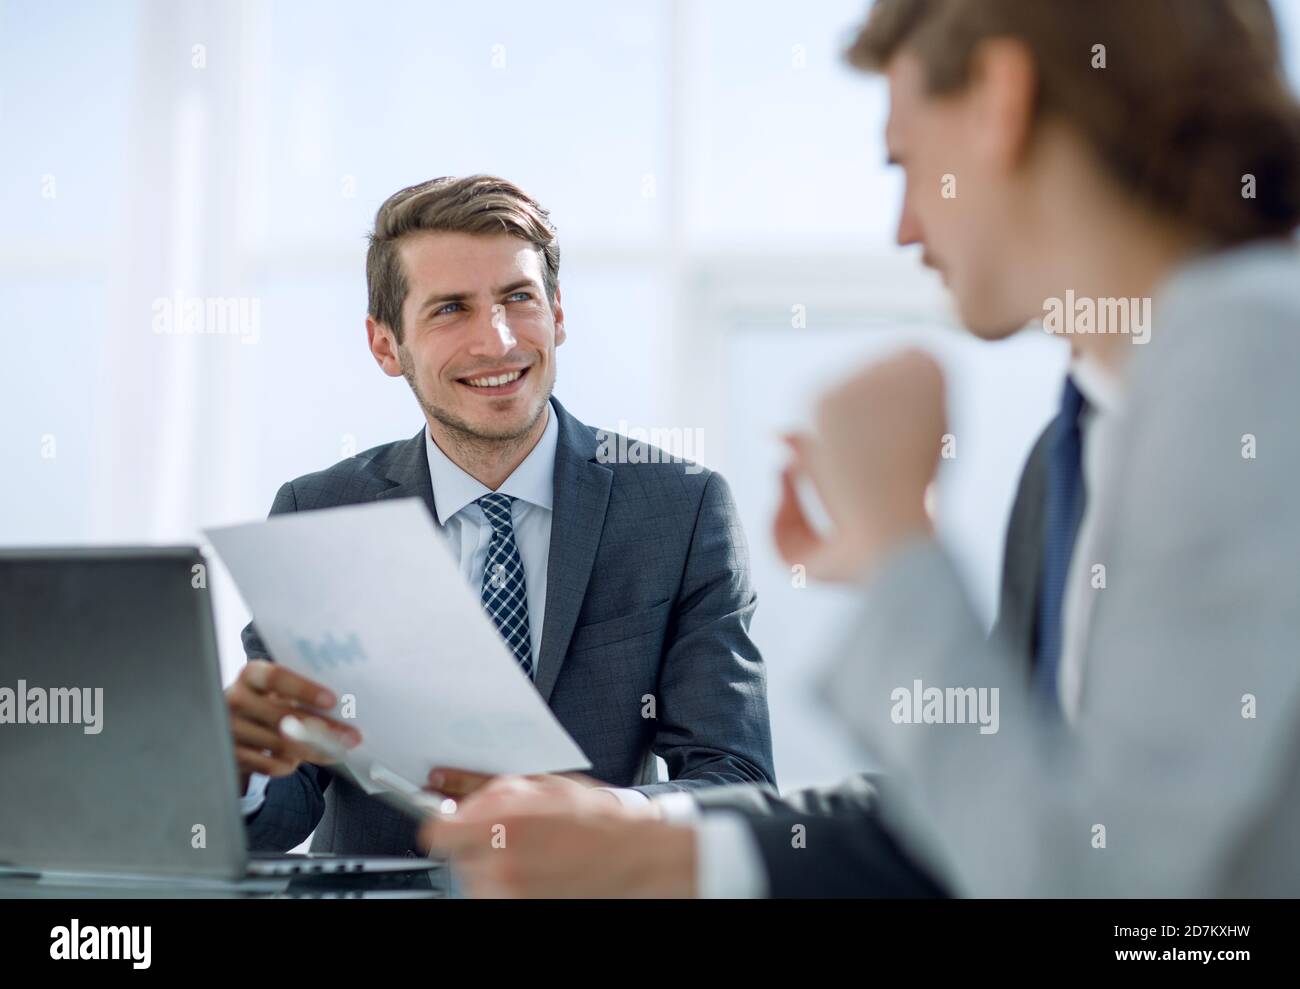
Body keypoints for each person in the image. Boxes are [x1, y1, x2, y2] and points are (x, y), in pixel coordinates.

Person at [422, 0, 1300, 897]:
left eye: (909, 165)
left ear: (1002, 97)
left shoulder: (1255, 355)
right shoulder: (1077, 444)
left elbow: (1112, 888)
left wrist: (897, 551)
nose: (907, 228)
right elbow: (1002, 814)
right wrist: (651, 841)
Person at [225, 175, 776, 857]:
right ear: (385, 345)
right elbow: (286, 802)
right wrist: (242, 770)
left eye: (518, 298)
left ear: (559, 314)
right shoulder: (319, 515)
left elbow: (738, 779)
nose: (498, 341)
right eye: (451, 308)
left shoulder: (680, 510)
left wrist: (601, 813)